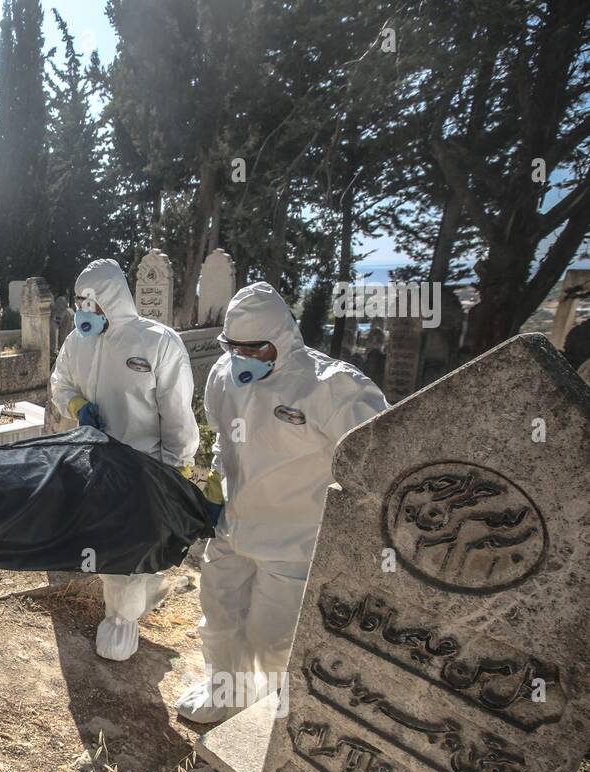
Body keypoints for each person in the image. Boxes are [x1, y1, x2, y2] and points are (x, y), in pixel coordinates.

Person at [176, 281, 389, 723]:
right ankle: (226, 691)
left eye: (254, 348)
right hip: (233, 526)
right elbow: (223, 440)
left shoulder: (332, 389)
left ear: (281, 339)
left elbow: (381, 463)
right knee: (218, 612)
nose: (241, 358)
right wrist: (215, 486)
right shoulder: (223, 377)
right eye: (232, 346)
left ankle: (277, 709)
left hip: (294, 540)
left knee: (273, 638)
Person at [50, 258, 200, 662]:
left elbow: (177, 412)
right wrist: (77, 404)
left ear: (111, 299)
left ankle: (121, 623)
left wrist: (179, 467)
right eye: (79, 301)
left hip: (144, 466)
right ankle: (143, 592)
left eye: (90, 301)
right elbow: (59, 382)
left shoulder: (157, 343)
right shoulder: (76, 342)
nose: (83, 309)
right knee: (109, 546)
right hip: (94, 463)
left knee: (124, 553)